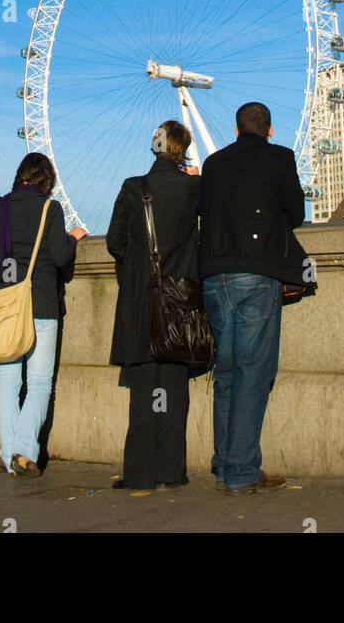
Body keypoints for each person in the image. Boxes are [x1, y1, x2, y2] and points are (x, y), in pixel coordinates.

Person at [199, 101, 305, 494]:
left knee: (225, 372)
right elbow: (295, 212)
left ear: (236, 128)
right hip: (257, 273)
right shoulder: (280, 157)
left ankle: (225, 463)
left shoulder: (213, 163)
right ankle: (242, 471)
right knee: (253, 373)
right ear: (270, 129)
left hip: (213, 276)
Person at [106, 120, 201, 491]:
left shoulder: (133, 188)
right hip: (180, 302)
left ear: (156, 145)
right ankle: (171, 472)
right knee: (174, 388)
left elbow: (115, 242)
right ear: (183, 149)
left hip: (140, 301)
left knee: (144, 387)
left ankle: (139, 472)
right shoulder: (194, 187)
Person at [0, 153, 86, 475]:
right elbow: (59, 256)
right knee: (40, 383)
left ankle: (9, 457)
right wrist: (73, 237)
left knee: (8, 382)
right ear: (47, 179)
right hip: (40, 304)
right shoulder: (49, 208)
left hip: (6, 304)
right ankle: (24, 449)